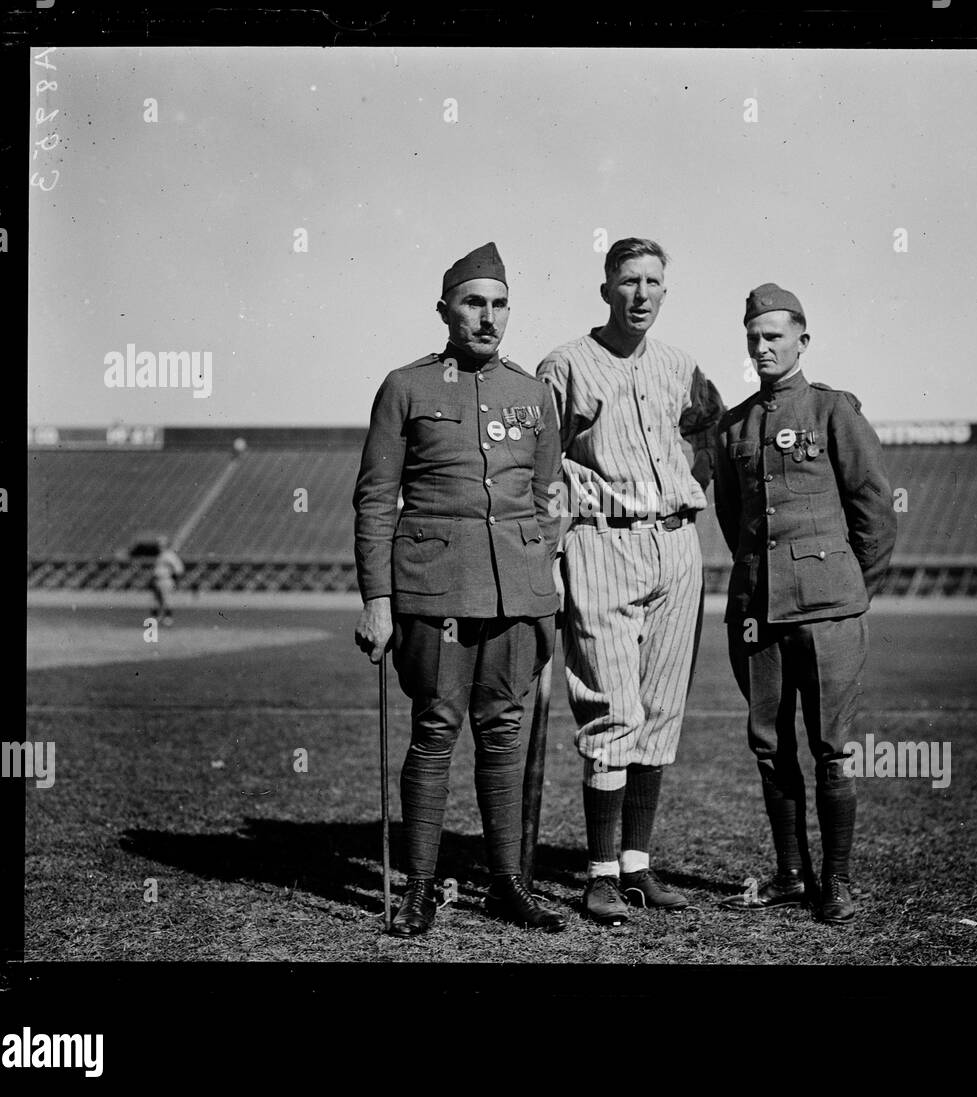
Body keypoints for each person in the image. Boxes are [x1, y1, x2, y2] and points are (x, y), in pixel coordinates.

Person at [353, 242, 567, 938]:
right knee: (437, 730)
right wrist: (378, 600)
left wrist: (542, 583)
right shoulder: (406, 387)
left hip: (516, 595)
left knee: (503, 731)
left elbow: (543, 497)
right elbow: (377, 499)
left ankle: (506, 882)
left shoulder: (532, 394)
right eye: (475, 302)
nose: (489, 317)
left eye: (500, 304)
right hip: (435, 590)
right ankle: (418, 889)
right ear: (445, 308)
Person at [537, 237, 723, 925]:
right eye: (627, 281)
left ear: (665, 291)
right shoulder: (565, 365)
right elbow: (541, 466)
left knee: (660, 708)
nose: (640, 294)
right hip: (604, 538)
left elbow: (710, 446)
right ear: (606, 288)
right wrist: (554, 550)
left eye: (652, 282)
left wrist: (677, 496)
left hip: (676, 542)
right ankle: (600, 873)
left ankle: (639, 865)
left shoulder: (683, 367)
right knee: (613, 708)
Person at [714, 284, 896, 924]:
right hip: (757, 611)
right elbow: (735, 521)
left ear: (802, 341)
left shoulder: (832, 412)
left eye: (774, 337)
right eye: (753, 337)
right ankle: (791, 873)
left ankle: (836, 881)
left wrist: (848, 590)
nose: (761, 347)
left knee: (832, 748)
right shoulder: (733, 426)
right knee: (769, 743)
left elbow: (874, 509)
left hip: (826, 611)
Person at [150, 539, 185, 625]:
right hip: (158, 579)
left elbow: (179, 569)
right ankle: (156, 618)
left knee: (166, 599)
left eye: (161, 545)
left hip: (166, 579)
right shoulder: (161, 555)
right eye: (159, 545)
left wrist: (175, 579)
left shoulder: (169, 555)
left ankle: (168, 619)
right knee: (157, 601)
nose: (159, 547)